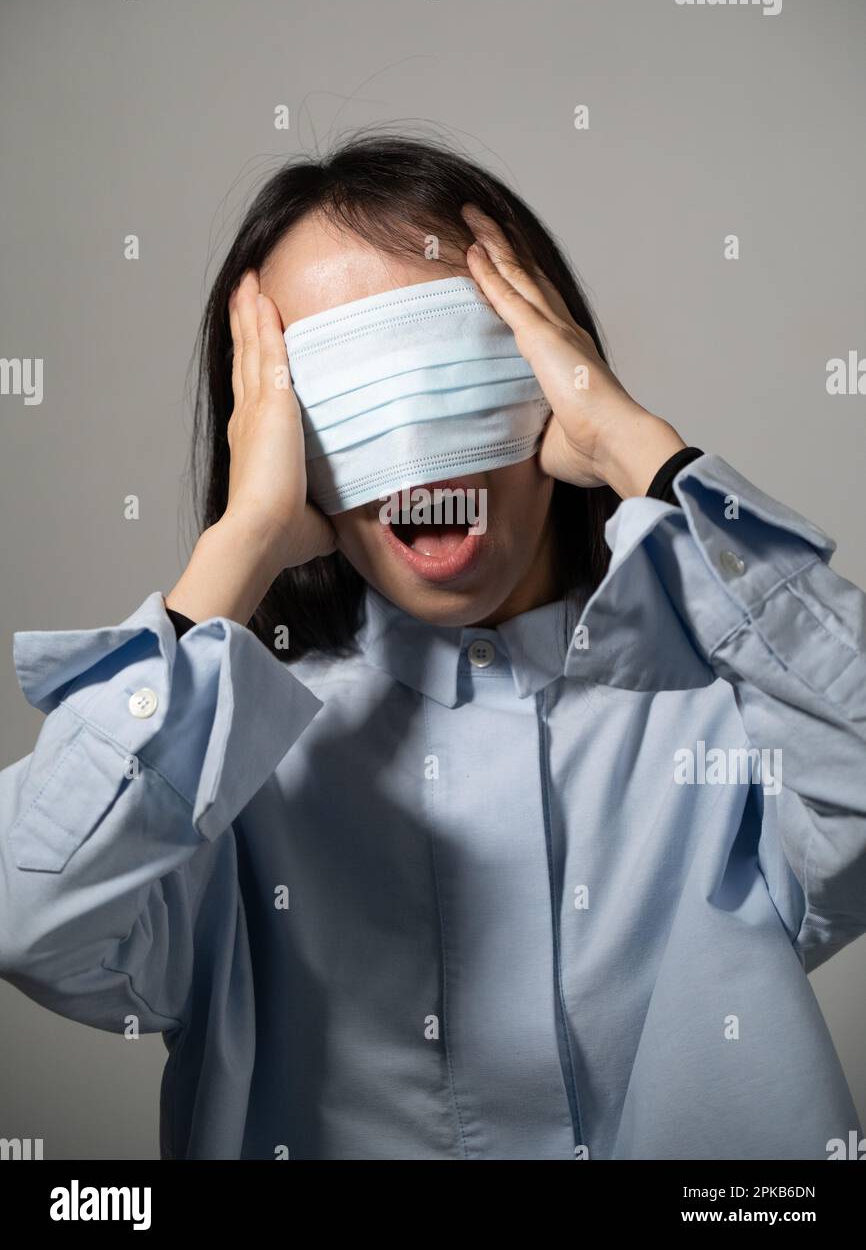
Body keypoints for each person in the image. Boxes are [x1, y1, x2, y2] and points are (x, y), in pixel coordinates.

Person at [1, 132, 864, 1161]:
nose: (409, 435)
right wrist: (237, 546)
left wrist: (637, 445)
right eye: (335, 392)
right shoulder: (214, 784)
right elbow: (30, 910)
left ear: (548, 362)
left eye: (449, 359)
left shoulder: (725, 717)